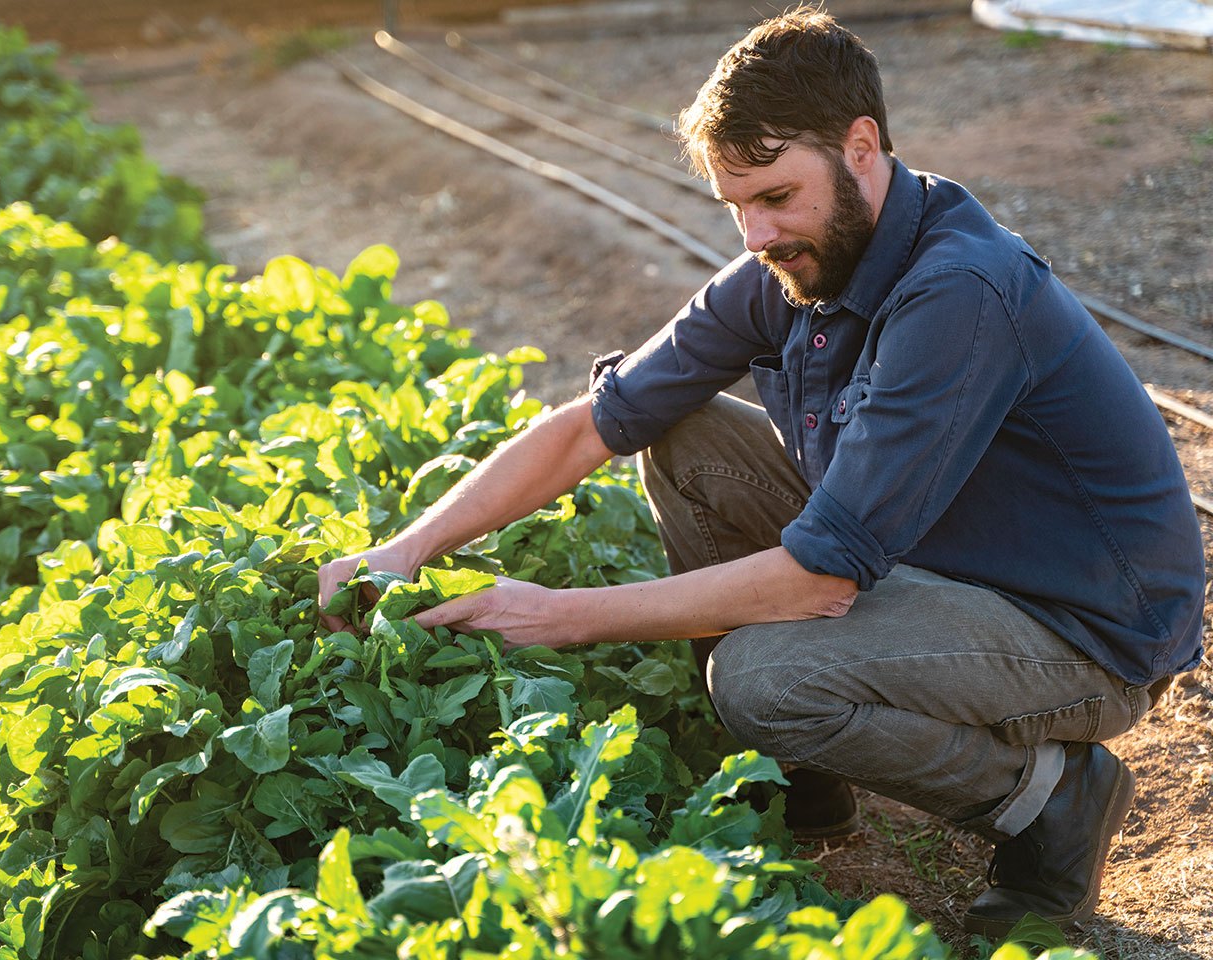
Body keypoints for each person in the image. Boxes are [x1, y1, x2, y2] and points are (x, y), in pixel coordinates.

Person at [317, 6, 1205, 938]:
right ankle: (802, 778)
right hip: (947, 559)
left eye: (777, 196)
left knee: (760, 678)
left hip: (1080, 625)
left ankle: (1054, 800)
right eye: (735, 205)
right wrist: (406, 551)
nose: (755, 234)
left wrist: (557, 615)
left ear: (861, 147)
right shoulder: (799, 264)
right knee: (687, 439)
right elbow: (591, 428)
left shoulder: (958, 290)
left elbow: (820, 576)